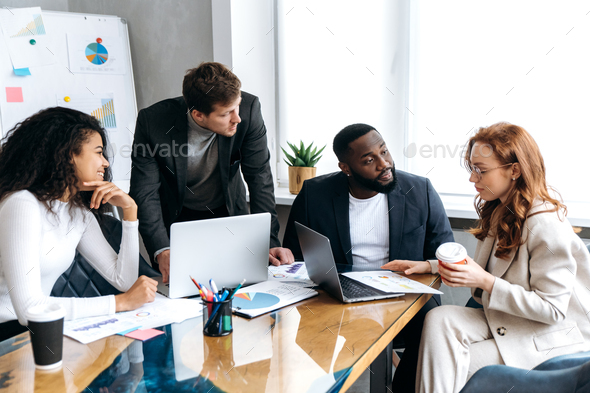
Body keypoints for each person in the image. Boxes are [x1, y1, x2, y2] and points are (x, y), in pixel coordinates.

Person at [415, 122, 590, 393]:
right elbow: (490, 270)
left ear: (514, 170)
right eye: (472, 169)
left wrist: (486, 282)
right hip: (513, 321)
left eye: (481, 170)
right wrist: (429, 265)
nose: (473, 179)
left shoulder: (546, 224)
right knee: (440, 317)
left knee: (456, 366)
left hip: (550, 337)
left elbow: (553, 310)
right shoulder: (501, 209)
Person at [283, 123, 454, 392]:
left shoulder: (419, 190)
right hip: (338, 295)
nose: (384, 164)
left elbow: (446, 252)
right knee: (302, 334)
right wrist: (284, 257)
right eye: (369, 160)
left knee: (433, 326)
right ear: (346, 168)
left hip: (405, 296)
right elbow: (294, 255)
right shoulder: (314, 194)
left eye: (384, 151)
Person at [0, 107, 157, 343]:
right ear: (67, 155)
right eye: (98, 152)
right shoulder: (22, 204)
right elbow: (29, 308)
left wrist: (130, 212)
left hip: (40, 330)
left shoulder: (77, 213)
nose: (105, 162)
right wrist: (119, 303)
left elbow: (123, 280)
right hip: (8, 334)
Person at [130, 62, 293, 283]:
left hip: (228, 215)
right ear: (198, 115)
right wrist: (162, 249)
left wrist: (270, 241)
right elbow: (144, 192)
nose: (238, 118)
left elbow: (259, 177)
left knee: (240, 290)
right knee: (183, 293)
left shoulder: (250, 109)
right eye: (227, 113)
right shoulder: (153, 122)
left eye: (238, 107)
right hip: (179, 221)